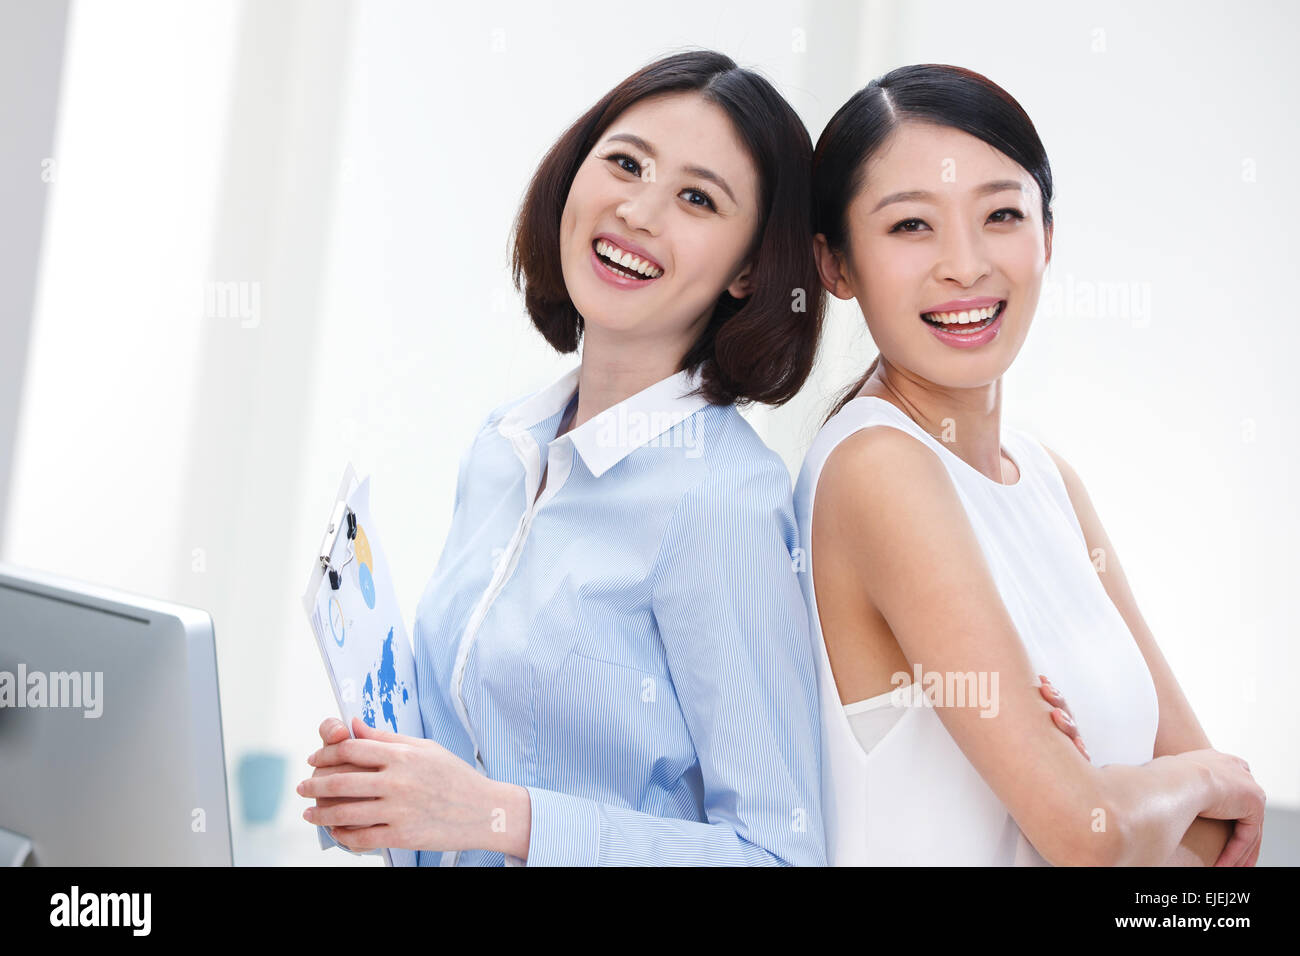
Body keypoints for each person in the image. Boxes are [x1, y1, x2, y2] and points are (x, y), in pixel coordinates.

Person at [298, 50, 828, 865]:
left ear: (750, 270)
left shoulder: (725, 500)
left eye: (697, 198)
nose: (638, 211)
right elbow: (467, 756)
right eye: (626, 163)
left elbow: (779, 855)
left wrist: (499, 818)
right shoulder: (505, 445)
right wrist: (382, 789)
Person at [794, 64, 1264, 865]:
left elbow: (1218, 840)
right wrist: (1196, 779)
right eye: (911, 225)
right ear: (835, 264)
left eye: (1002, 214)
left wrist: (1120, 797)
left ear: (1047, 235)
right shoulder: (878, 469)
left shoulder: (1048, 479)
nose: (965, 264)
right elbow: (1092, 835)